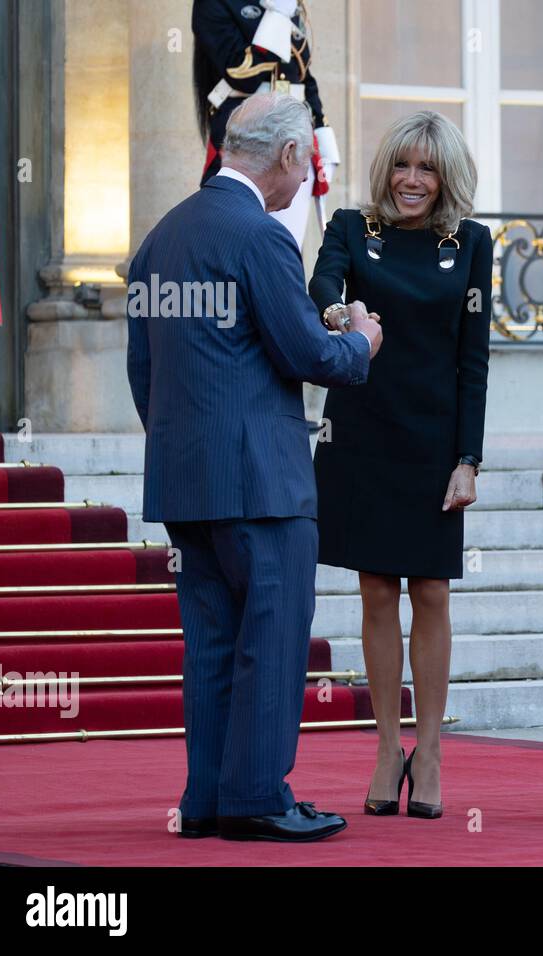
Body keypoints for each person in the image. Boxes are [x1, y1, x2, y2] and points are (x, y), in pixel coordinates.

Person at [125, 91, 382, 842]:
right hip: (261, 482)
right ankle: (256, 797)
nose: (308, 179)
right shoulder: (261, 238)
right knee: (269, 639)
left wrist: (184, 443)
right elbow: (306, 352)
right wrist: (363, 339)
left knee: (209, 645)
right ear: (289, 156)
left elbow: (145, 370)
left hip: (186, 478)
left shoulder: (161, 237)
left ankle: (208, 796)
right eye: (309, 164)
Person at [310, 111, 490, 820]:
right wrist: (339, 314)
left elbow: (473, 360)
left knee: (434, 594)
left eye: (427, 168)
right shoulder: (354, 230)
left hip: (434, 437)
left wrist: (468, 459)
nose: (412, 180)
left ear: (446, 176)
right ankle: (388, 748)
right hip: (361, 431)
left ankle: (431, 749)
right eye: (401, 165)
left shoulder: (471, 243)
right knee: (377, 590)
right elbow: (320, 287)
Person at [193, 0, 341, 247]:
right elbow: (240, 73)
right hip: (247, 136)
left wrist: (323, 136)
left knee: (287, 242)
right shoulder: (215, 3)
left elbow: (302, 75)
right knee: (234, 238)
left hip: (294, 136)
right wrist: (276, 18)